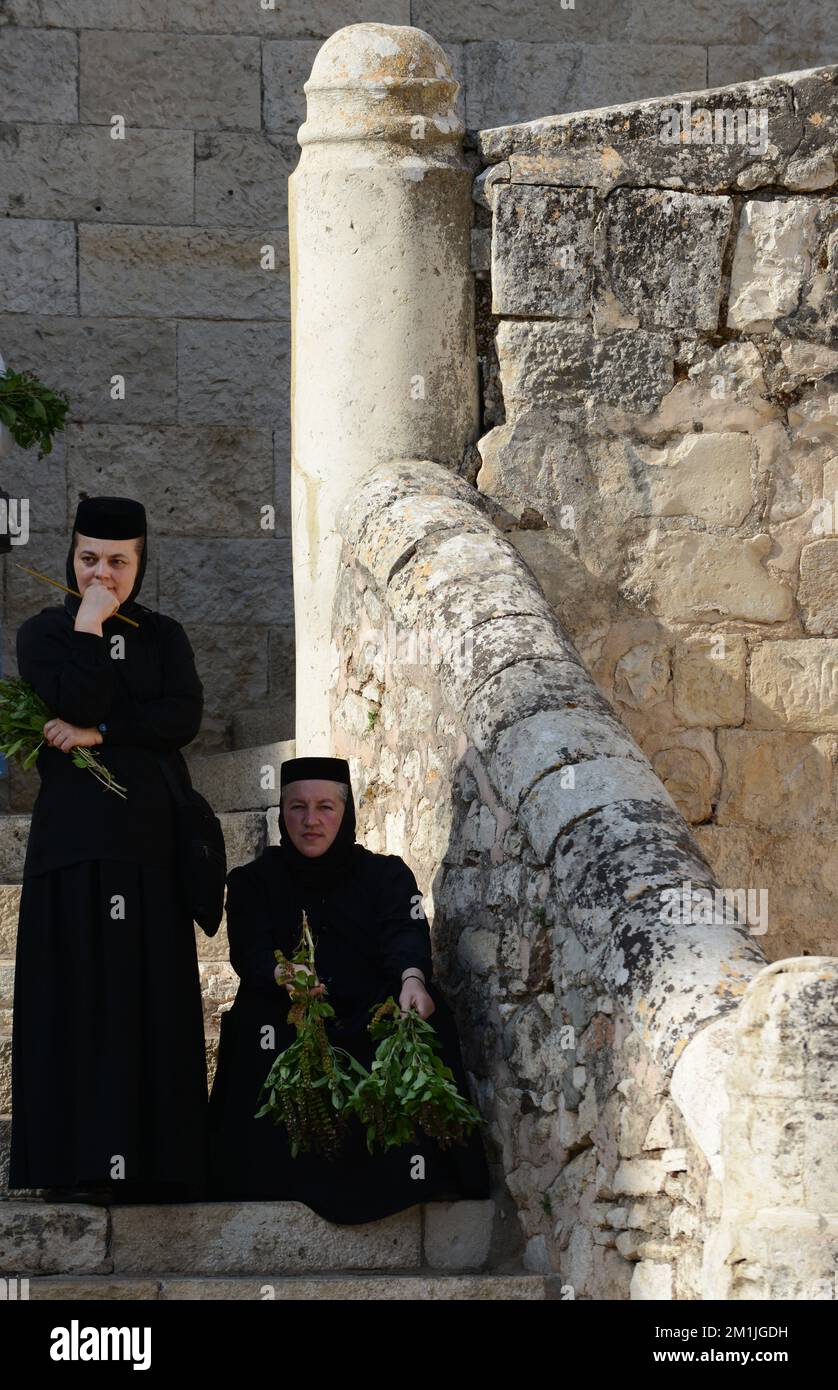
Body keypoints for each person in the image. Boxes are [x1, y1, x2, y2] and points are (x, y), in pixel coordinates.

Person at [8, 495, 210, 1204]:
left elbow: (181, 715)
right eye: (89, 558)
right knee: (79, 995)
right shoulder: (44, 633)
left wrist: (99, 737)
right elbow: (80, 695)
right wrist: (91, 626)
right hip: (73, 845)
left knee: (144, 996)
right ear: (72, 554)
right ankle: (75, 1163)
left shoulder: (165, 634)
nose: (102, 573)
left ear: (140, 561)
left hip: (148, 842)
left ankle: (159, 1163)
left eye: (118, 562)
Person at [207, 755, 493, 1224]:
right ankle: (266, 1176)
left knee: (423, 1014)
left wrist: (413, 980)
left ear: (347, 812)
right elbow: (250, 954)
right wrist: (285, 978)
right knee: (253, 1023)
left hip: (366, 1012)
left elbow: (406, 931)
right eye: (297, 807)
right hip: (291, 1014)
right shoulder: (251, 882)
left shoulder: (385, 875)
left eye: (325, 807)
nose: (311, 821)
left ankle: (419, 1174)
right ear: (282, 814)